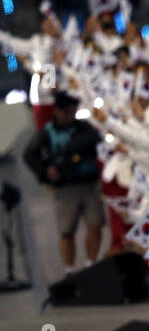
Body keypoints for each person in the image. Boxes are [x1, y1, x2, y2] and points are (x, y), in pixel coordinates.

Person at [23, 90, 105, 274]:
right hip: (66, 187)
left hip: (88, 184)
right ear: (58, 111)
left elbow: (94, 139)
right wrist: (46, 172)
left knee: (95, 223)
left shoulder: (83, 128)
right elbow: (30, 155)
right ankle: (69, 268)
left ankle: (91, 264)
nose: (70, 116)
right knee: (67, 229)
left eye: (72, 111)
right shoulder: (47, 132)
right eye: (67, 112)